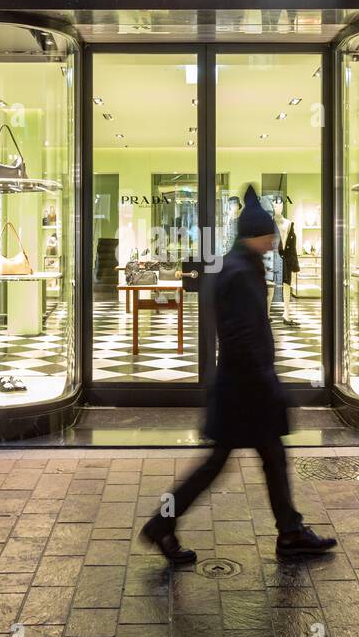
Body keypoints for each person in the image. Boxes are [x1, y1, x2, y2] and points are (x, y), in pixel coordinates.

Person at [141, 185, 336, 562]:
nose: (273, 240)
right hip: (244, 391)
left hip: (241, 388)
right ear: (257, 235)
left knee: (265, 457)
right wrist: (267, 382)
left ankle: (289, 531)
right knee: (220, 465)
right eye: (270, 234)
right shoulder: (240, 272)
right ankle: (163, 523)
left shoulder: (239, 266)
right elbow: (244, 335)